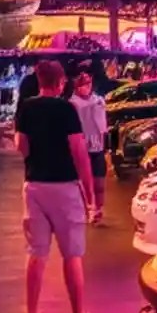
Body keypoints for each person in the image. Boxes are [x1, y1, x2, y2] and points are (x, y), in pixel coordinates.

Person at [14, 60, 97, 313]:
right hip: (64, 187)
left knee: (36, 254)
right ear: (61, 82)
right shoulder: (66, 109)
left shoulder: (26, 108)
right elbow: (78, 151)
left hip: (34, 185)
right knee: (72, 254)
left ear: (39, 81)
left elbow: (20, 146)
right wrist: (90, 194)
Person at [67, 68, 109, 224]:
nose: (87, 87)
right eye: (83, 84)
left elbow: (103, 124)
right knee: (83, 183)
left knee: (99, 182)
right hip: (81, 147)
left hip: (97, 146)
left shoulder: (98, 100)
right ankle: (87, 209)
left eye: (88, 83)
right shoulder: (72, 104)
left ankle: (98, 209)